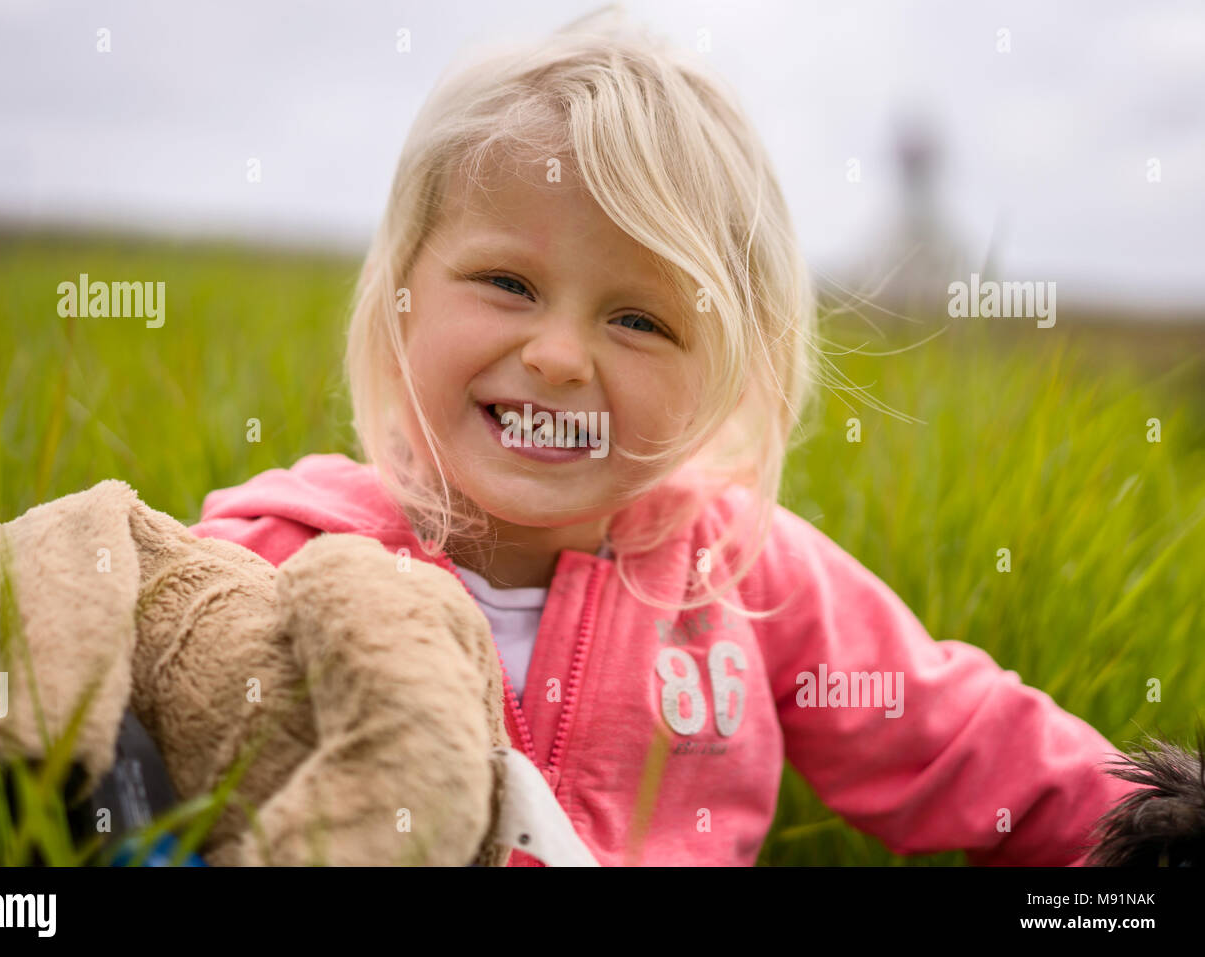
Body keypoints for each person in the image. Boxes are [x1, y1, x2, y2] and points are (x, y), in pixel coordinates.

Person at [188, 9, 1142, 866]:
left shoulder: (739, 572)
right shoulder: (282, 555)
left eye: (640, 321)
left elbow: (953, 735)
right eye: (507, 285)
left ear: (722, 372)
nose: (558, 356)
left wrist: (1145, 828)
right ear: (401, 292)